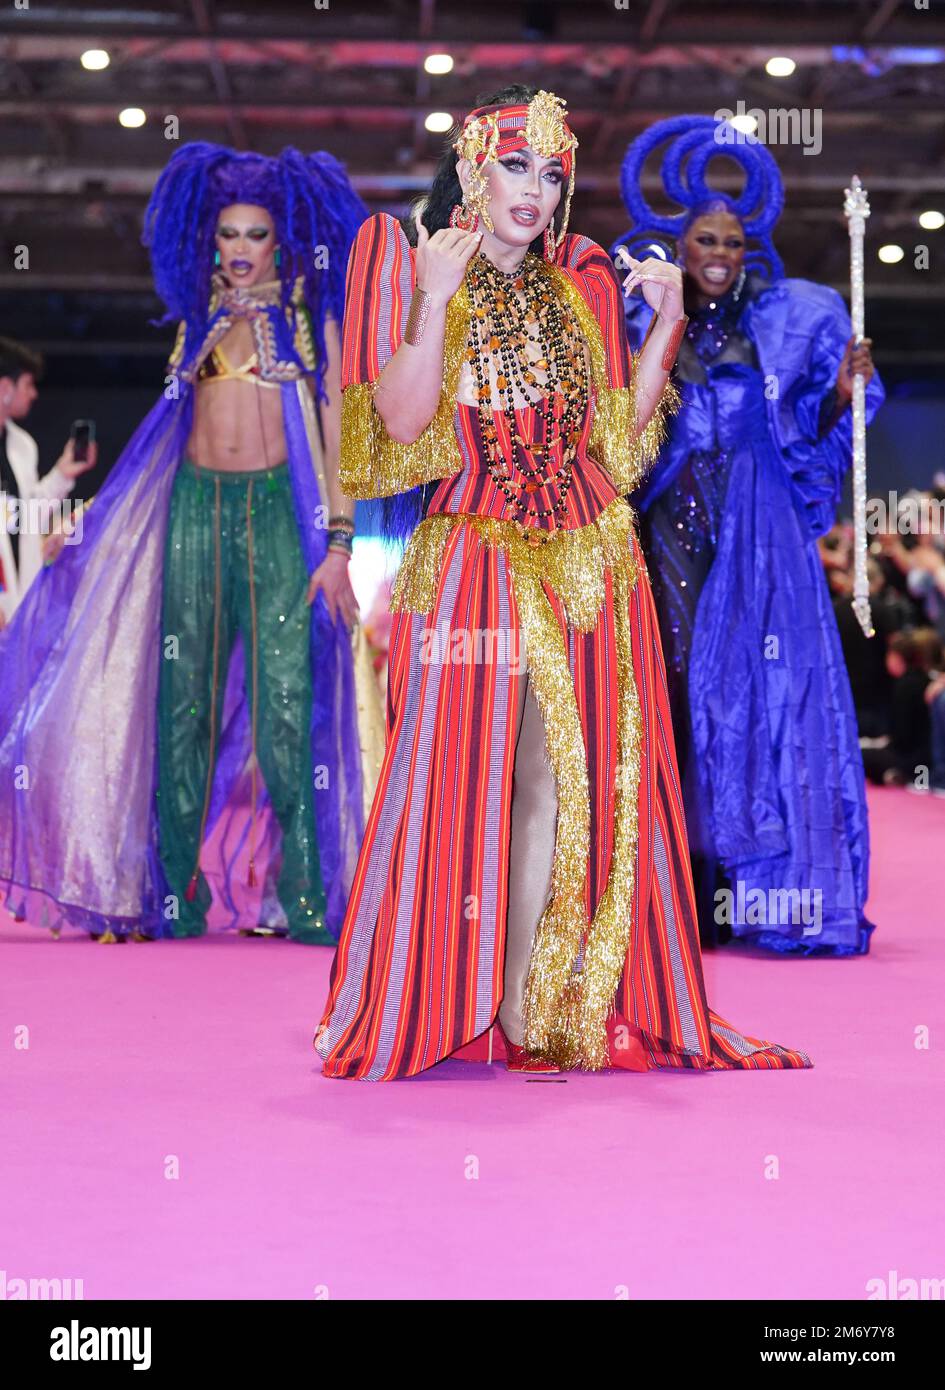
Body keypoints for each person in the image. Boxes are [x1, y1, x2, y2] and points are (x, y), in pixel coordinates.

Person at [314, 87, 811, 1078]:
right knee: (459, 774)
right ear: (473, 173)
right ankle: (435, 989)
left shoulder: (580, 284)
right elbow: (401, 434)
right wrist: (429, 304)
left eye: (551, 173)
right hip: (475, 558)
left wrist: (664, 328)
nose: (535, 190)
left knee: (553, 778)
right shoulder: (413, 265)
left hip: (591, 553)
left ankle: (523, 1007)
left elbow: (619, 451)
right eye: (515, 167)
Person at [0, 143, 375, 944]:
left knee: (286, 708)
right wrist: (93, 517)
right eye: (228, 236)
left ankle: (306, 899)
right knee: (181, 710)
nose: (239, 250)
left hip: (282, 518)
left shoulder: (309, 322)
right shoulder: (196, 327)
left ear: (282, 241)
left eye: (256, 236)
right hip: (192, 516)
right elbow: (157, 445)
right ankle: (169, 894)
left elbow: (345, 432)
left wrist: (339, 541)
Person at [615, 115, 885, 956]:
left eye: (732, 238)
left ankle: (757, 893)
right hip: (667, 528)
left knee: (761, 697)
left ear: (746, 244)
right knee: (677, 694)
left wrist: (841, 392)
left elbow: (806, 438)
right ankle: (682, 892)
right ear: (679, 242)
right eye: (705, 236)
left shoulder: (779, 325)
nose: (720, 249)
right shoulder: (641, 323)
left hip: (756, 537)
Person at [0, 337, 95, 627]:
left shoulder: (22, 445)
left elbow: (24, 517)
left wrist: (63, 474)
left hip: (19, 605)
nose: (34, 394)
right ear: (5, 388)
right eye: (28, 385)